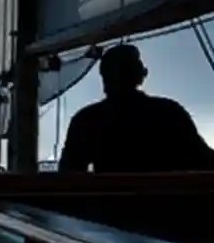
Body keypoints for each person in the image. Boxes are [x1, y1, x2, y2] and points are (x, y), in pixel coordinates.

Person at [58, 44, 214, 173]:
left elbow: (68, 175)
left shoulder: (86, 120)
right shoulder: (169, 112)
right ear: (141, 75)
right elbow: (203, 160)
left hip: (107, 208)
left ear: (105, 78)